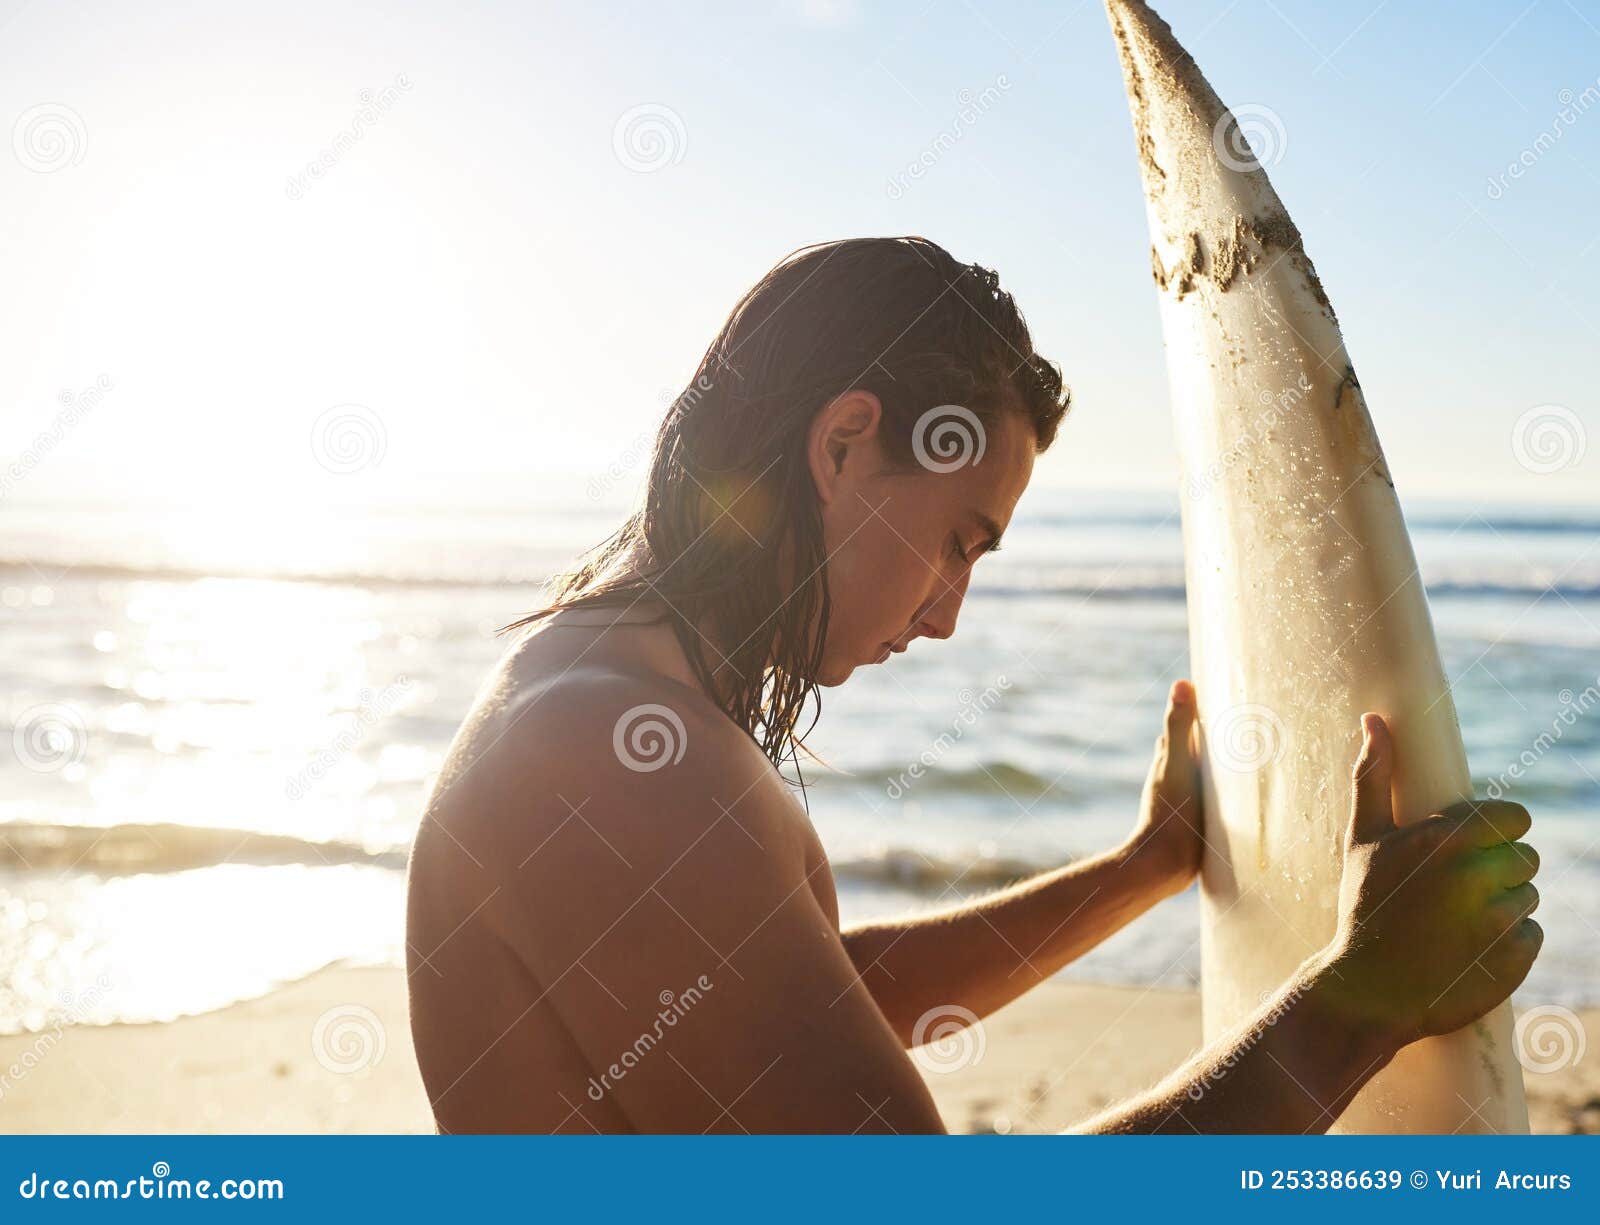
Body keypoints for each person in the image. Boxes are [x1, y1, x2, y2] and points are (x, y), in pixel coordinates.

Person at [405, 237, 1541, 1134]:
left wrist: (1140, 868)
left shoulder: (592, 698)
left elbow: (786, 1001)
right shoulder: (610, 762)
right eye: (958, 541)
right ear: (845, 442)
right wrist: (1355, 1004)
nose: (946, 615)